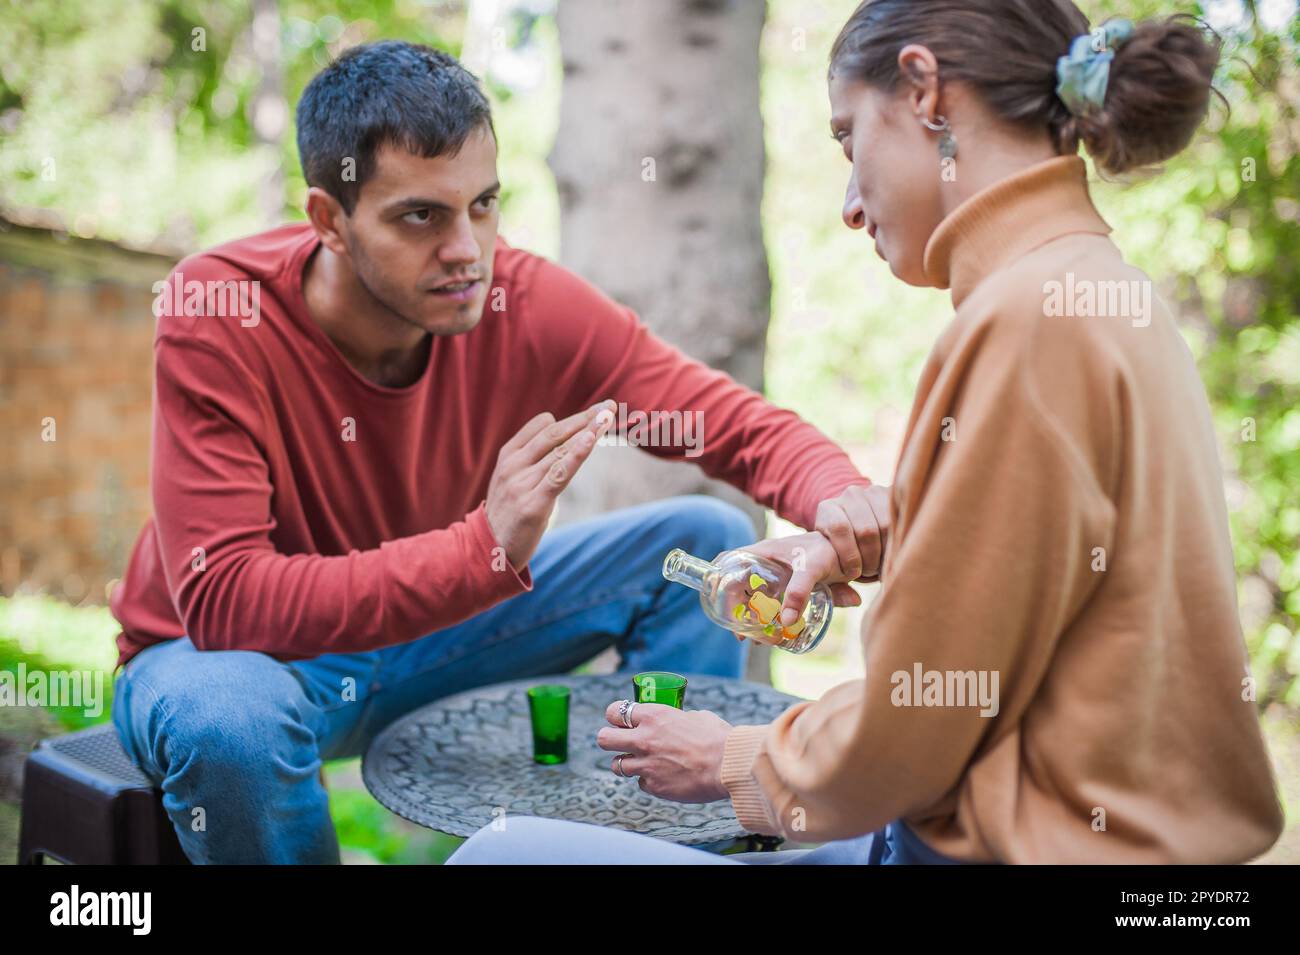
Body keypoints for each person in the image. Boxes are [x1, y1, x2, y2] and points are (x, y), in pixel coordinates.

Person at [449, 0, 1285, 865]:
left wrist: (730, 757)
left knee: (500, 854)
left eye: (850, 143)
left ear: (926, 91)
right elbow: (1060, 573)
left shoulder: (1024, 321)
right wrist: (895, 534)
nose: (850, 206)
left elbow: (914, 728)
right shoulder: (1096, 291)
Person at [108, 40, 890, 864]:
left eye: (483, 204)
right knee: (227, 719)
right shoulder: (219, 307)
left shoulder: (519, 297)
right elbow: (225, 600)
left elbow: (727, 423)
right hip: (229, 659)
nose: (468, 250)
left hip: (421, 636)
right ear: (328, 220)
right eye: (422, 215)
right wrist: (481, 549)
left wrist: (836, 495)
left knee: (695, 534)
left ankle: (662, 846)